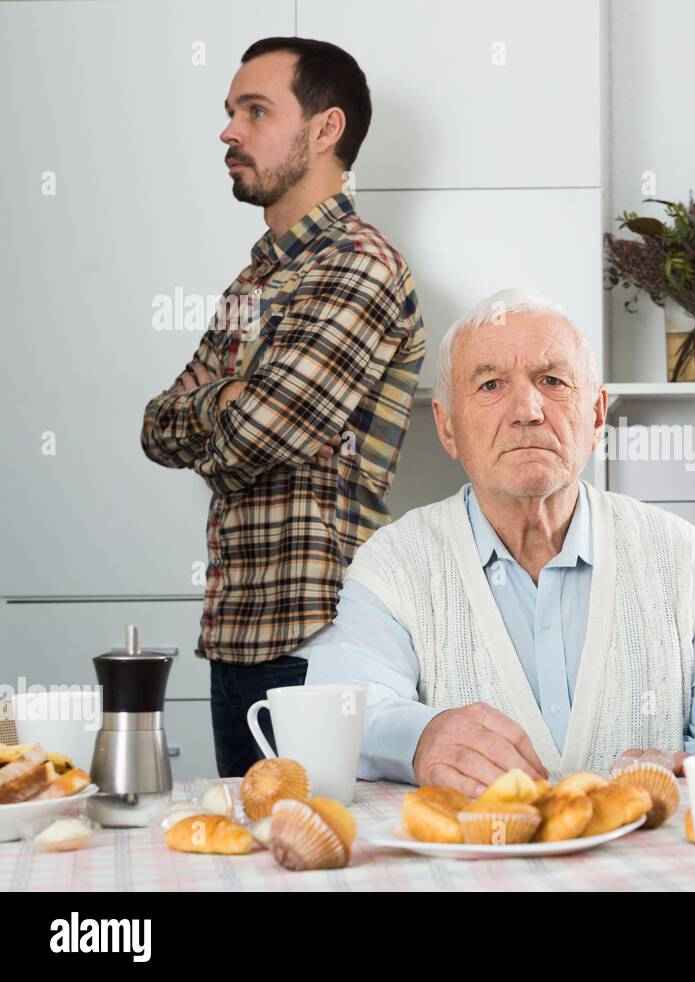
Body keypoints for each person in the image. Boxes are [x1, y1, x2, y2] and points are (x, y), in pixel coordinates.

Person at [305, 288, 695, 793]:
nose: (527, 409)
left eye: (552, 381)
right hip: (467, 869)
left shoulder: (690, 562)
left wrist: (688, 769)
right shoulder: (392, 565)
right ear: (447, 426)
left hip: (651, 866)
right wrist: (422, 739)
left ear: (596, 414)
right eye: (491, 384)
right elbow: (342, 707)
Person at [140, 37, 425, 778]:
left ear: (325, 130)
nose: (229, 131)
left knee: (322, 856)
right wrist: (230, 402)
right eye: (231, 111)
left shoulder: (360, 263)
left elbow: (260, 431)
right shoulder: (254, 280)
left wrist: (225, 405)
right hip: (236, 633)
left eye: (255, 110)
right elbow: (155, 426)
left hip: (321, 640)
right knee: (251, 861)